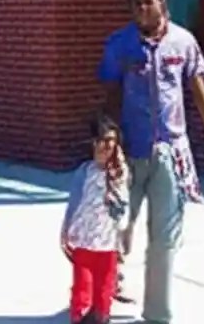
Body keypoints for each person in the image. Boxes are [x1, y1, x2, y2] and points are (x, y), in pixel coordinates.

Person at [99, 0, 204, 324]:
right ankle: (106, 290)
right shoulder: (119, 45)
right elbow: (110, 97)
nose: (142, 10)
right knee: (115, 225)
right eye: (136, 4)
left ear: (162, 2)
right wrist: (107, 145)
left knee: (164, 237)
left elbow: (200, 95)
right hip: (129, 151)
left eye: (148, 2)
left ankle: (157, 313)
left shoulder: (183, 42)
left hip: (170, 152)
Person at [60, 116, 130, 324]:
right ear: (93, 143)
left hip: (107, 246)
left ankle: (101, 318)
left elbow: (122, 207)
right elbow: (74, 203)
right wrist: (66, 230)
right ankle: (78, 318)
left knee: (104, 292)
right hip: (84, 243)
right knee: (83, 288)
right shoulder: (84, 172)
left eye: (112, 142)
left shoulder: (118, 174)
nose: (106, 147)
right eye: (103, 141)